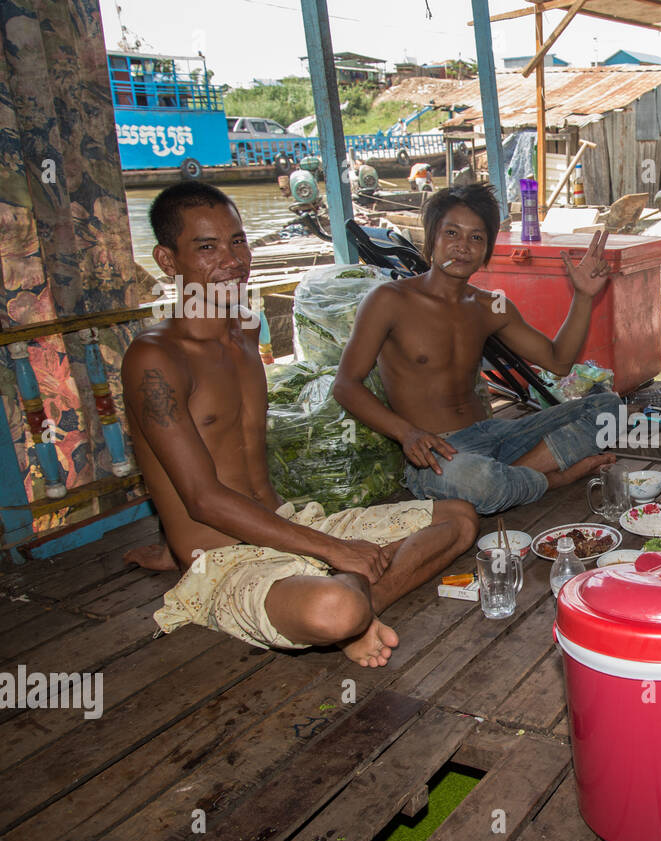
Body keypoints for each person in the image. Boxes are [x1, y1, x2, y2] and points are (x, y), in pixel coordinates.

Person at [122, 181, 477, 667]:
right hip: (225, 561)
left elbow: (225, 449)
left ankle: (360, 603)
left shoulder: (244, 330)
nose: (232, 260)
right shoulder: (154, 359)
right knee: (335, 609)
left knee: (458, 517)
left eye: (238, 241)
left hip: (285, 523)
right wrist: (337, 551)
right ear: (167, 261)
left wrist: (331, 550)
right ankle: (352, 605)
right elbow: (201, 497)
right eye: (207, 247)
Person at [333, 183, 619, 515]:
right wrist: (406, 433)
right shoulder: (389, 300)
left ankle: (518, 476)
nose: (463, 247)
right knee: (478, 481)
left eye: (476, 238)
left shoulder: (490, 306)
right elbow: (345, 385)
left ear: (486, 251)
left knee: (608, 408)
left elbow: (558, 361)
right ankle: (552, 478)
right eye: (451, 233)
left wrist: (583, 296)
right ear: (432, 240)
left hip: (499, 436)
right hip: (439, 453)